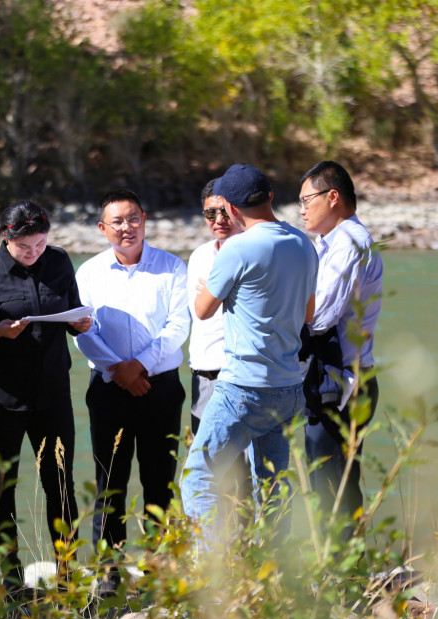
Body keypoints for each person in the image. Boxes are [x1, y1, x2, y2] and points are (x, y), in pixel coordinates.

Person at [0, 200, 91, 592]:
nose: (33, 253)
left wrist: (80, 324)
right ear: (6, 237)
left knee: (60, 483)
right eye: (24, 247)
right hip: (2, 396)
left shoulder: (59, 262)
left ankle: (67, 574)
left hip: (53, 393)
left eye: (40, 245)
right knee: (2, 486)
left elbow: (71, 313)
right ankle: (11, 578)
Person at [179, 164, 318, 545]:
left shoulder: (237, 249)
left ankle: (212, 575)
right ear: (271, 196)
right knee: (272, 487)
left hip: (243, 387)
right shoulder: (303, 243)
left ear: (231, 208)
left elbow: (202, 310)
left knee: (198, 478)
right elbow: (308, 314)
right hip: (289, 386)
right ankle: (274, 568)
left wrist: (209, 287)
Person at [73, 189, 188, 588]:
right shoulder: (89, 272)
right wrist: (117, 370)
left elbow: (178, 326)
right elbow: (82, 330)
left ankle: (160, 573)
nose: (127, 227)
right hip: (108, 388)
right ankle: (108, 574)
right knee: (110, 483)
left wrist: (138, 366)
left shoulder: (172, 267)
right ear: (102, 228)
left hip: (161, 387)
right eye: (117, 221)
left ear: (145, 219)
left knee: (160, 481)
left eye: (133, 218)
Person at [298, 161, 383, 527]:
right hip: (335, 378)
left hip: (342, 383)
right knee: (332, 488)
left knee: (333, 493)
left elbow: (319, 316)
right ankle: (342, 561)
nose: (302, 210)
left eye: (306, 200)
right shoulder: (329, 243)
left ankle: (341, 563)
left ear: (332, 197)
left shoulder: (349, 242)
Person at [187, 179, 252, 524]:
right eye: (210, 213)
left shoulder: (255, 251)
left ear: (237, 210)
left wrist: (220, 294)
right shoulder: (199, 256)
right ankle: (214, 551)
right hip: (205, 377)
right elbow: (197, 314)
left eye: (224, 211)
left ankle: (253, 548)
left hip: (245, 376)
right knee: (207, 473)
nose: (218, 220)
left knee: (250, 476)